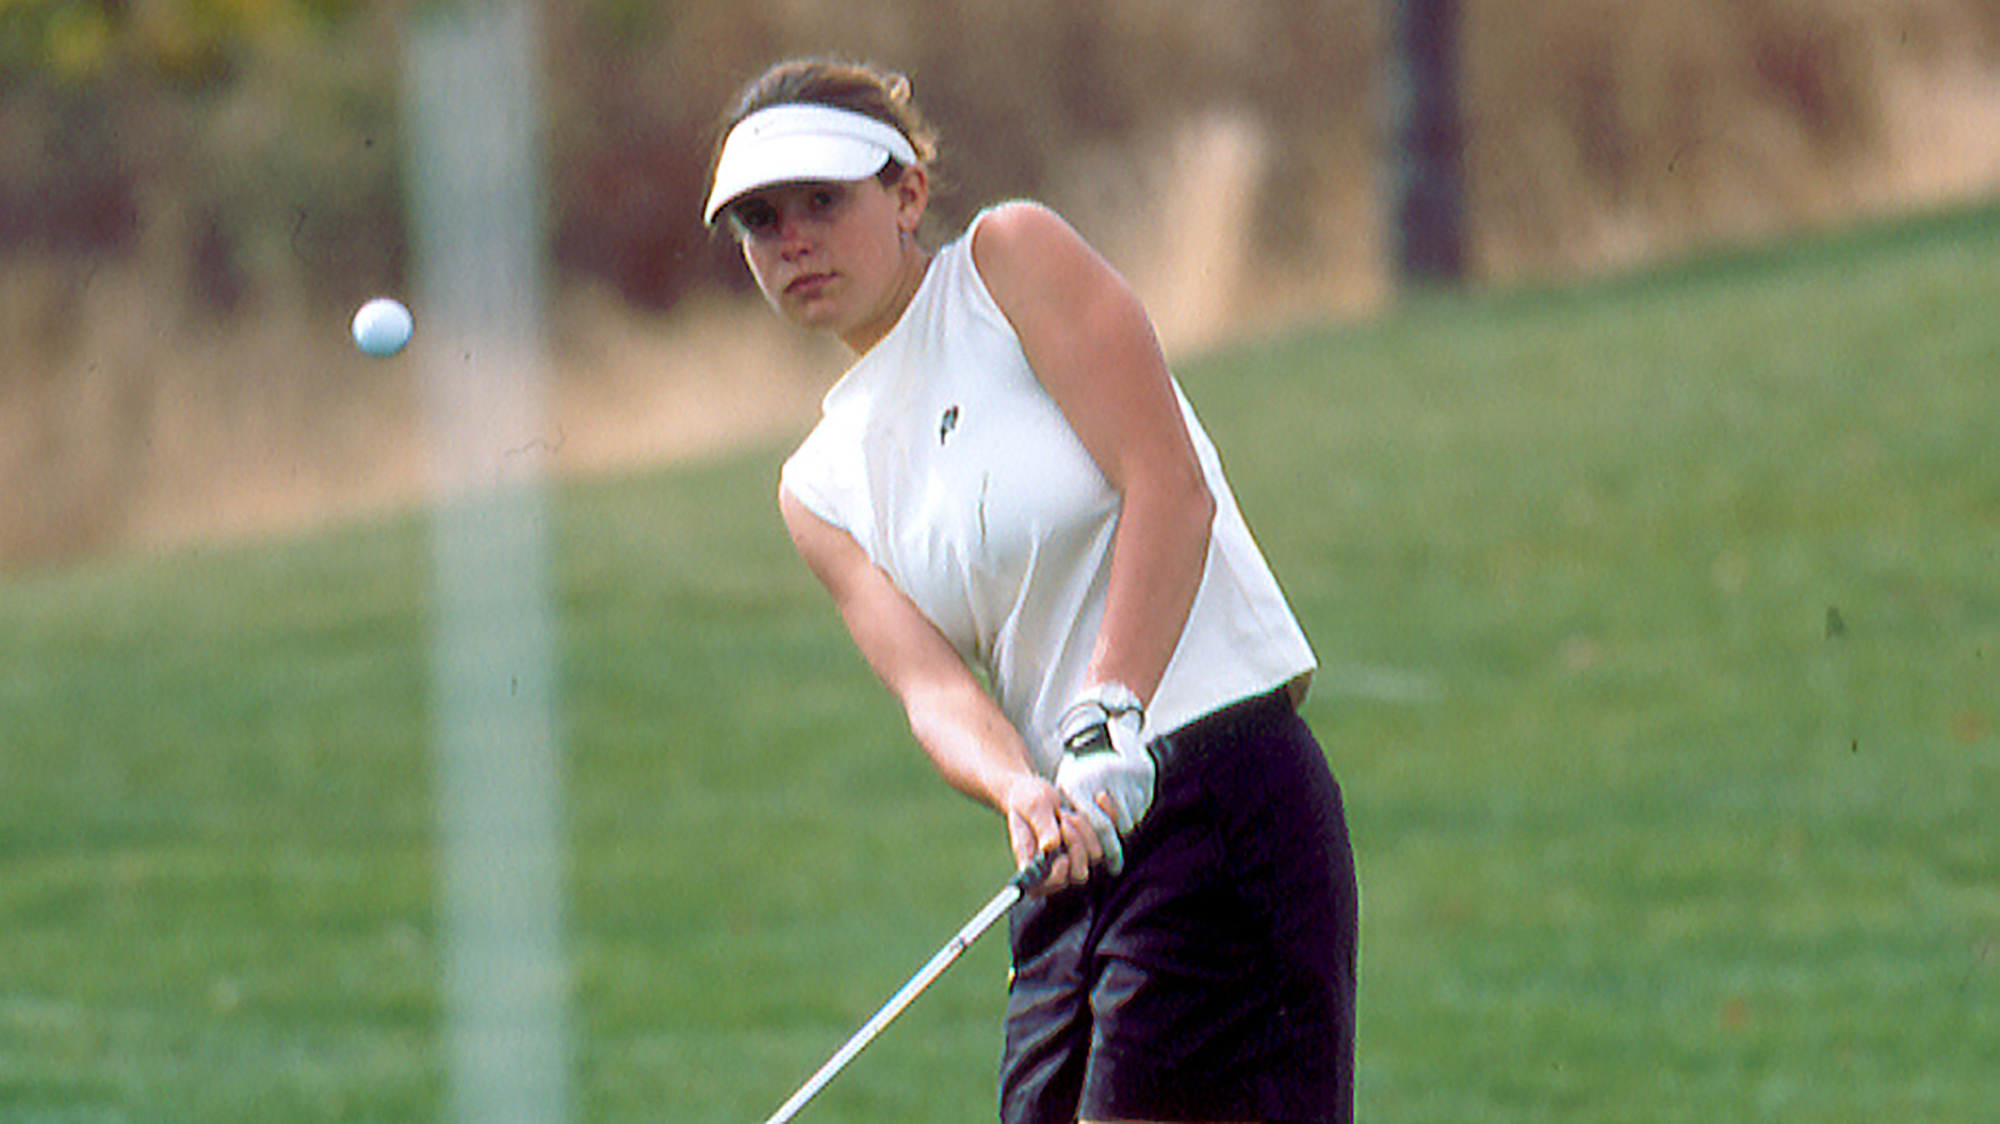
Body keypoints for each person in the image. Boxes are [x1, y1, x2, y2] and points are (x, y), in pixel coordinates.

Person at [703, 57, 1359, 1124]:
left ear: (906, 192)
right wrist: (1018, 787)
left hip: (1219, 791)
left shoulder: (1009, 264)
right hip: (1075, 844)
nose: (791, 240)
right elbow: (934, 693)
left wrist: (1109, 707)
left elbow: (1168, 487)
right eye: (759, 220)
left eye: (822, 201)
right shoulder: (816, 486)